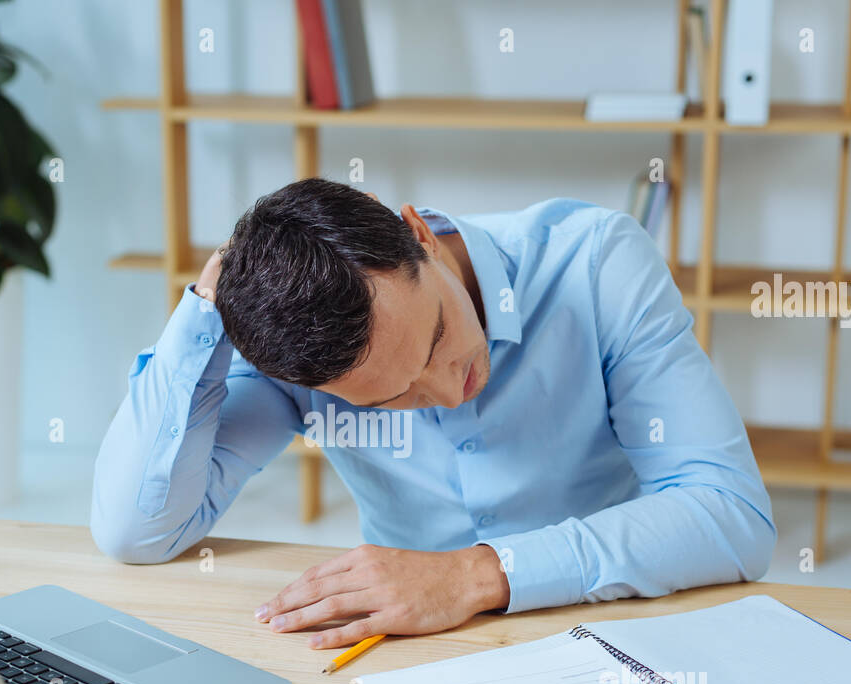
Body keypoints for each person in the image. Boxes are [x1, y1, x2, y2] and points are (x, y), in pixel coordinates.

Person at [91, 178, 775, 649]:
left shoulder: (595, 264)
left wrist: (477, 575)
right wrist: (206, 310)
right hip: (408, 651)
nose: (449, 391)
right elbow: (137, 530)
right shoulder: (300, 347)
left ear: (416, 232)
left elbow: (731, 513)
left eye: (439, 337)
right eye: (396, 399)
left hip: (606, 623)